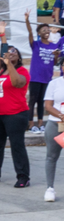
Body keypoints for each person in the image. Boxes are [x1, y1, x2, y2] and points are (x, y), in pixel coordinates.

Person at [0, 46, 30, 187]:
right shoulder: (1, 71)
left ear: (19, 57)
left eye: (14, 51)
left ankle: (23, 177)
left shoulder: (22, 71)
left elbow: (17, 83)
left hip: (15, 114)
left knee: (17, 146)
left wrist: (9, 64)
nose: (10, 53)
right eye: (8, 52)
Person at [24, 10, 63, 132]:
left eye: (48, 30)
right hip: (35, 77)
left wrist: (56, 55)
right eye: (43, 30)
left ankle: (40, 124)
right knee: (33, 100)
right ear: (39, 33)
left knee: (42, 101)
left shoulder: (53, 46)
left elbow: (55, 62)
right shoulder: (36, 44)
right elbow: (30, 33)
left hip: (47, 77)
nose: (46, 32)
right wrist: (27, 21)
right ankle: (31, 124)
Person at [43, 65, 64, 202]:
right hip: (56, 124)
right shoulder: (54, 83)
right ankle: (50, 188)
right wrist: (62, 116)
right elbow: (48, 106)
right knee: (52, 156)